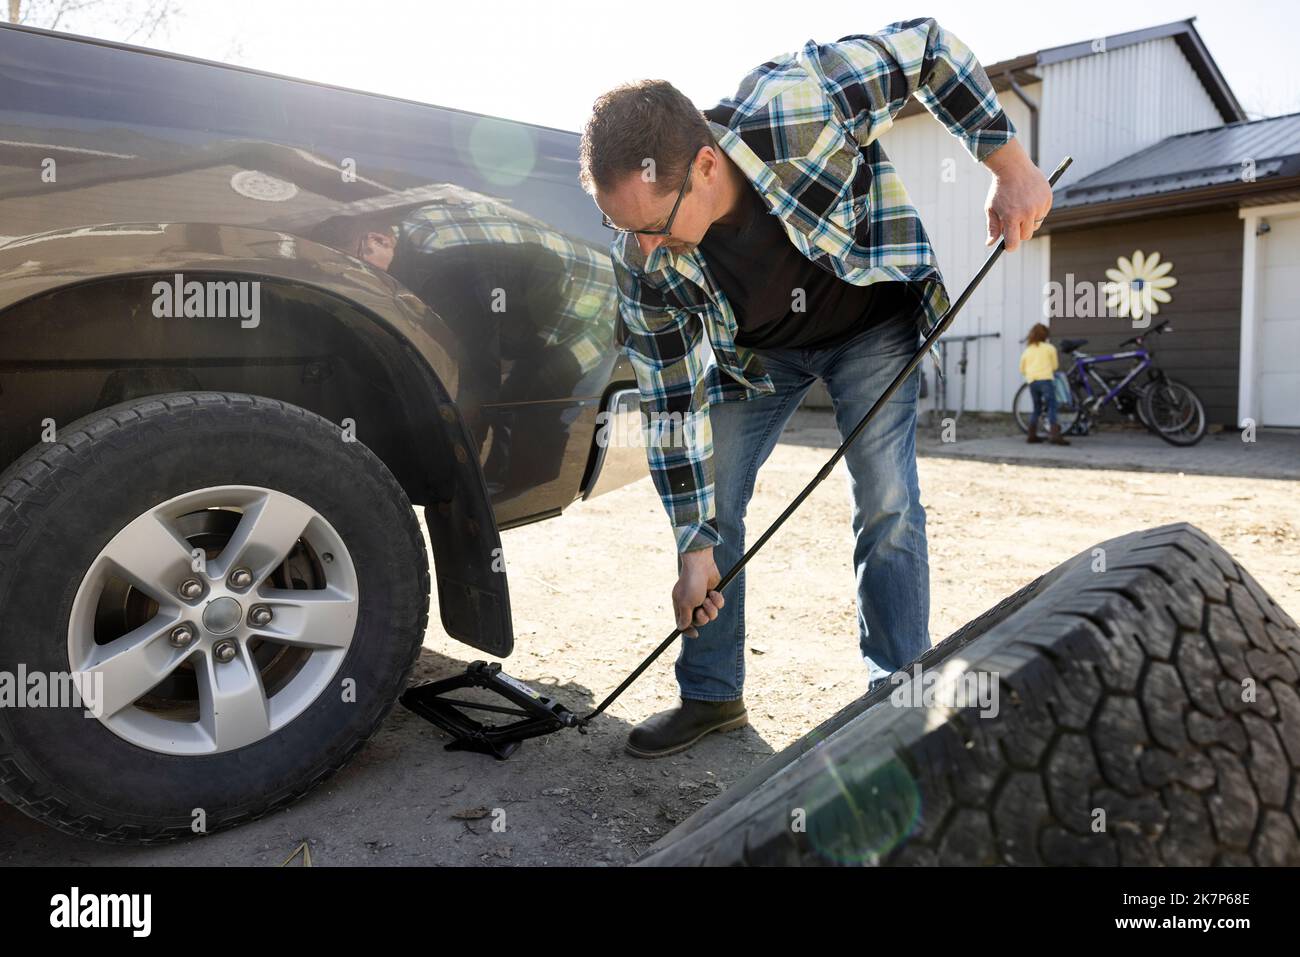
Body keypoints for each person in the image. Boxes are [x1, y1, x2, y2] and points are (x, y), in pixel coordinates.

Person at [579, 17, 1053, 758]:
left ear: (705, 166)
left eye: (653, 225)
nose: (642, 247)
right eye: (622, 227)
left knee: (886, 497)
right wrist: (692, 546)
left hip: (870, 323)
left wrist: (1010, 167)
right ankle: (711, 694)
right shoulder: (640, 259)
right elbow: (672, 403)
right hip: (760, 358)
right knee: (717, 503)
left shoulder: (799, 104)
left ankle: (895, 698)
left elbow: (926, 49)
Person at [1020, 323, 1070, 446]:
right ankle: (1054, 435)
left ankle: (1031, 435)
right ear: (1045, 335)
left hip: (1032, 382)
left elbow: (1022, 369)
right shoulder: (1049, 348)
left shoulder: (1028, 350)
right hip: (1046, 380)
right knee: (1052, 406)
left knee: (1037, 408)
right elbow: (1055, 366)